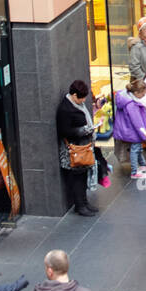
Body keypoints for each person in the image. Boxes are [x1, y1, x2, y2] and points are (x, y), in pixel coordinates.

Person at [57, 79, 99, 216]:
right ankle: (80, 205)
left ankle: (84, 203)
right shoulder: (65, 109)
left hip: (82, 148)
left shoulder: (77, 105)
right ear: (74, 95)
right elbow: (64, 131)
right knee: (77, 179)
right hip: (74, 151)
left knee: (82, 176)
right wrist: (85, 130)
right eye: (81, 97)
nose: (83, 100)